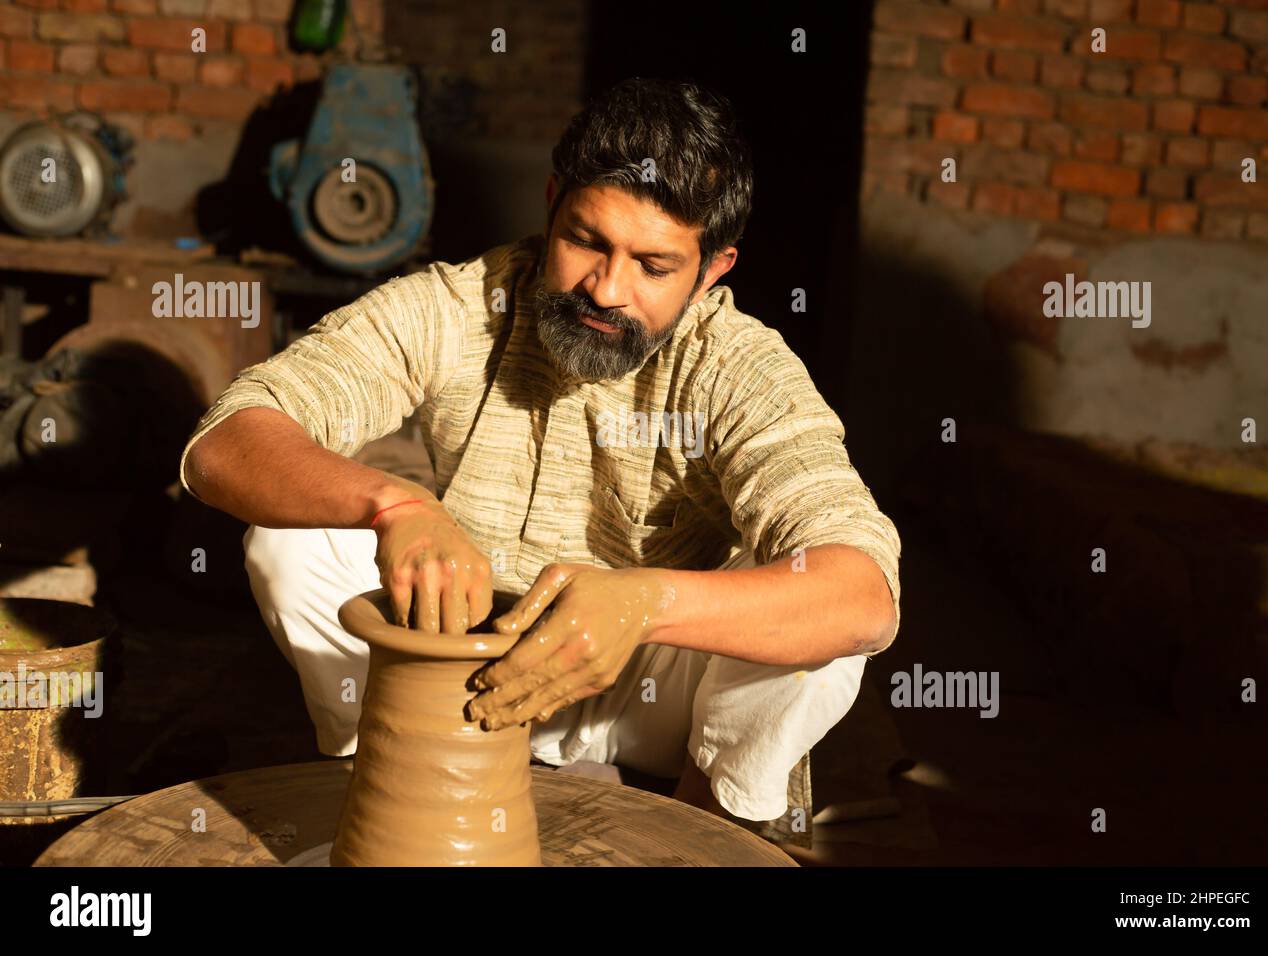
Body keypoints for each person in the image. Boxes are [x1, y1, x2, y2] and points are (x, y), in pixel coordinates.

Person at [179, 77, 902, 844]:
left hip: (651, 696)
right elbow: (224, 442)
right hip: (457, 664)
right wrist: (396, 506)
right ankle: (399, 779)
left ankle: (704, 833)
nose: (606, 288)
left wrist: (643, 603)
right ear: (553, 201)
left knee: (816, 628)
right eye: (587, 240)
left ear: (713, 269)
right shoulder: (456, 307)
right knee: (293, 537)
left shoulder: (740, 368)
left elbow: (865, 594)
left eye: (654, 266)